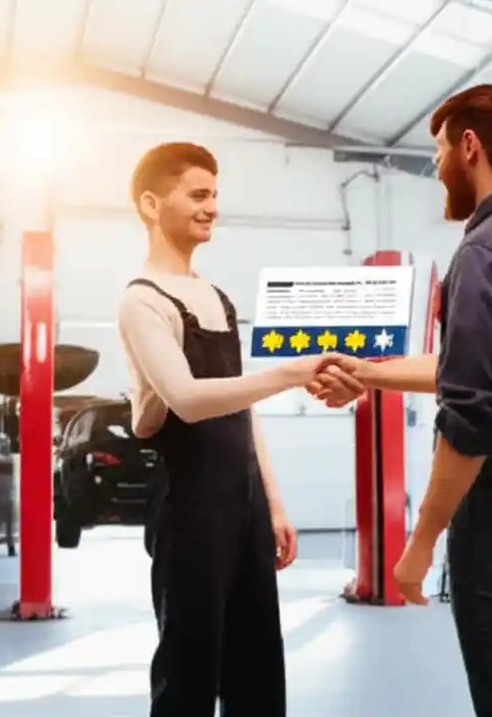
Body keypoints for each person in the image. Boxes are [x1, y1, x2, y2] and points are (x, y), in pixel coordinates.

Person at [310, 84, 492, 717]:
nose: (438, 165)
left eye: (441, 150)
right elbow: (479, 372)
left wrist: (421, 543)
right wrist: (370, 373)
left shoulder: (487, 250)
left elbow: (473, 418)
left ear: (469, 146)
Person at [116, 142, 331, 717]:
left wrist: (274, 505)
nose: (212, 207)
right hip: (188, 505)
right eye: (198, 194)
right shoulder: (143, 301)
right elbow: (186, 399)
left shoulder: (217, 298)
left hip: (244, 504)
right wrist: (287, 373)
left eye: (215, 195)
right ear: (151, 203)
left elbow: (242, 411)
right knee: (189, 668)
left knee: (258, 665)